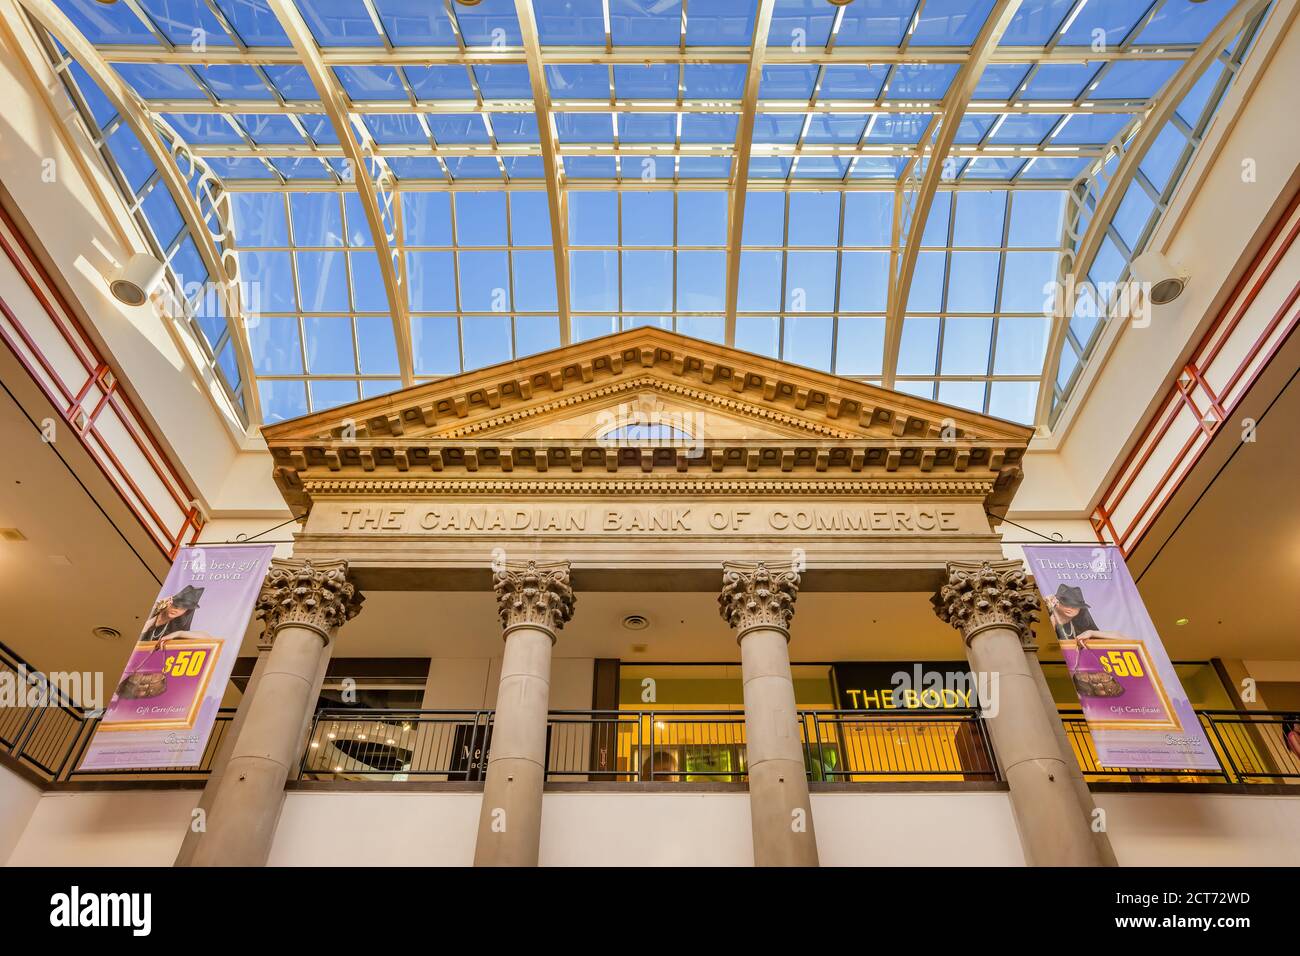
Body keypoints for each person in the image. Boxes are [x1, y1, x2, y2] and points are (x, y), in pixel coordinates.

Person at [139, 584, 204, 651]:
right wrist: (157, 608)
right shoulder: (151, 614)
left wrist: (178, 633)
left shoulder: (176, 625)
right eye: (176, 605)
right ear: (169, 602)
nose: (176, 610)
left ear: (186, 611)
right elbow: (136, 634)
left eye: (183, 608)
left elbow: (207, 638)